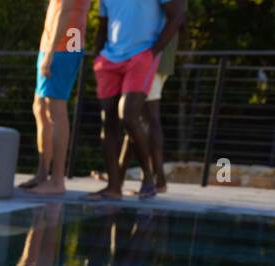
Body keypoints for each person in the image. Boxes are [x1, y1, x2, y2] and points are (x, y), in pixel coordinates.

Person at [85, 0, 186, 201]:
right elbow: (103, 26)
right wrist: (97, 58)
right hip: (109, 59)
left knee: (129, 116)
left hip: (141, 57)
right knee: (108, 122)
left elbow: (177, 17)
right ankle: (113, 187)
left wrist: (153, 53)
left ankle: (149, 178)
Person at [114, 0, 186, 193]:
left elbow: (178, 17)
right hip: (155, 56)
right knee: (137, 118)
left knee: (147, 117)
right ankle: (121, 176)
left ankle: (157, 180)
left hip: (152, 57)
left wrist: (152, 53)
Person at [22, 0, 93, 196]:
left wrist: (50, 53)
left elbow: (67, 10)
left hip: (63, 46)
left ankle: (57, 181)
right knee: (40, 106)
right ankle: (43, 174)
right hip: (58, 44)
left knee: (55, 107)